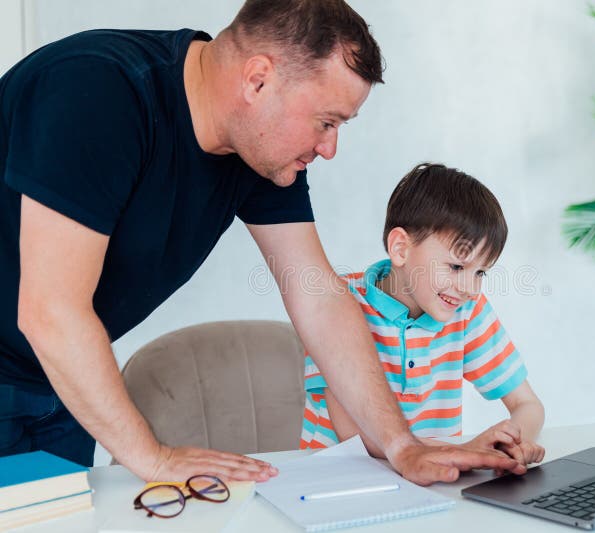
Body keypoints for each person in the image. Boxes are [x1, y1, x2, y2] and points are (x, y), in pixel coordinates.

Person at [0, 0, 525, 485]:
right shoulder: (96, 92)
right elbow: (51, 311)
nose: (329, 147)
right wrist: (154, 457)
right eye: (326, 121)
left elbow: (317, 295)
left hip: (56, 380)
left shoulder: (258, 153)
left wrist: (400, 445)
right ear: (258, 80)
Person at [301, 163, 546, 467]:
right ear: (401, 248)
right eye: (456, 267)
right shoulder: (337, 304)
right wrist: (465, 451)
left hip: (430, 483)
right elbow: (355, 436)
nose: (470, 288)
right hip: (336, 481)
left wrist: (514, 441)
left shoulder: (466, 311)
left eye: (480, 271)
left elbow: (528, 404)